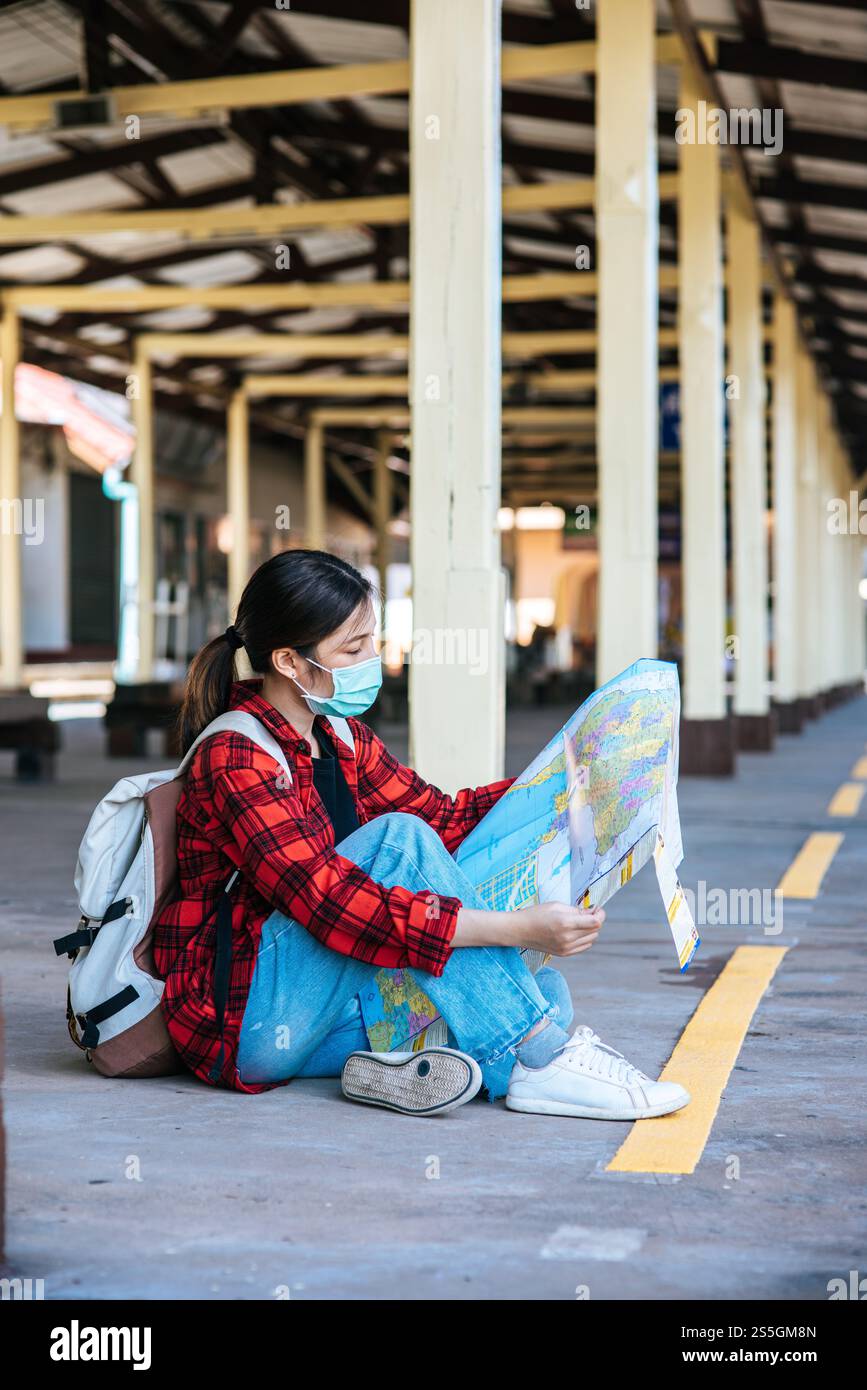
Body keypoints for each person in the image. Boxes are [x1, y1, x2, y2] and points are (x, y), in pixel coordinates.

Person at [154, 549, 690, 1121]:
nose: (373, 660)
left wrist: (568, 779)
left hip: (321, 1008)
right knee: (397, 846)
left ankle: (391, 1072)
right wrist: (513, 928)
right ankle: (541, 1060)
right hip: (249, 1015)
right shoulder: (235, 754)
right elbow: (329, 903)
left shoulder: (342, 737)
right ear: (289, 660)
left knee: (543, 992)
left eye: (372, 642)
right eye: (353, 649)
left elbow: (447, 817)